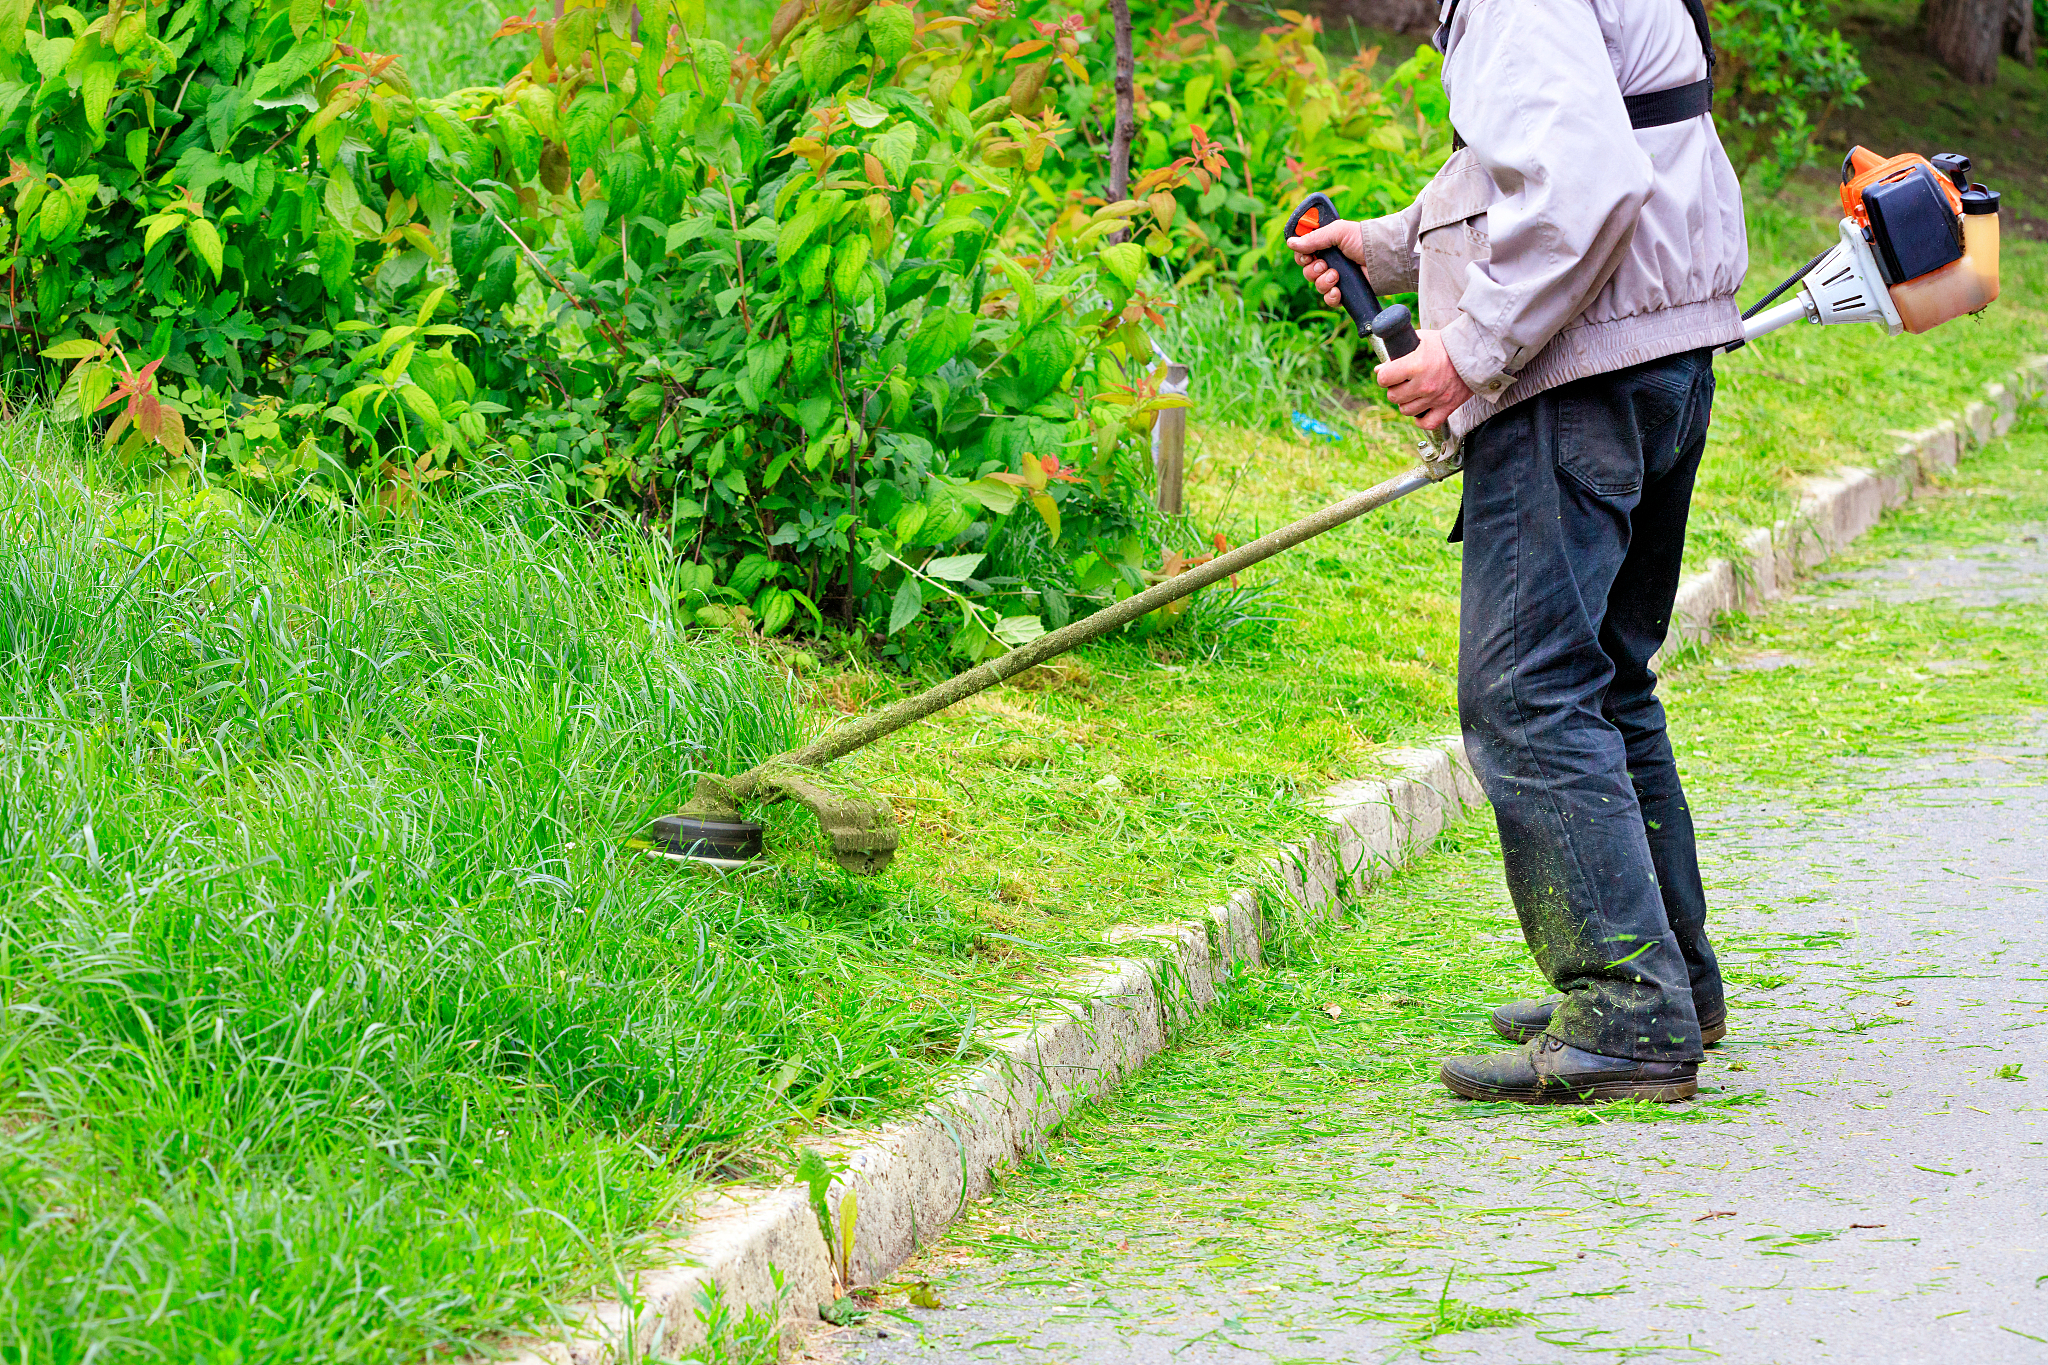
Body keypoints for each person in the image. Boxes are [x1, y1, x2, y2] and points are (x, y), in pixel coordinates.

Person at [1286, 0, 1748, 1103]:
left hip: (1576, 380)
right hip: (1658, 355)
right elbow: (1560, 155)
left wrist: (1471, 352)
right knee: (1605, 681)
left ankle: (1629, 1016)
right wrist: (1390, 248)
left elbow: (1586, 187)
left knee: (1527, 690)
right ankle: (1667, 977)